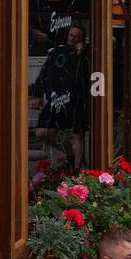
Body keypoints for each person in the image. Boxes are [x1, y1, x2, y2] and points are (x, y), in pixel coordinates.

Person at [35, 23, 91, 168]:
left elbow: (86, 76)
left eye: (76, 37)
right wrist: (40, 94)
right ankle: (70, 154)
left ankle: (77, 170)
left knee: (76, 134)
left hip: (76, 100)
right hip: (57, 99)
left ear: (82, 39)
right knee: (42, 131)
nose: (72, 38)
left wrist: (81, 54)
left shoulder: (85, 56)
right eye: (71, 35)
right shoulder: (58, 52)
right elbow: (44, 73)